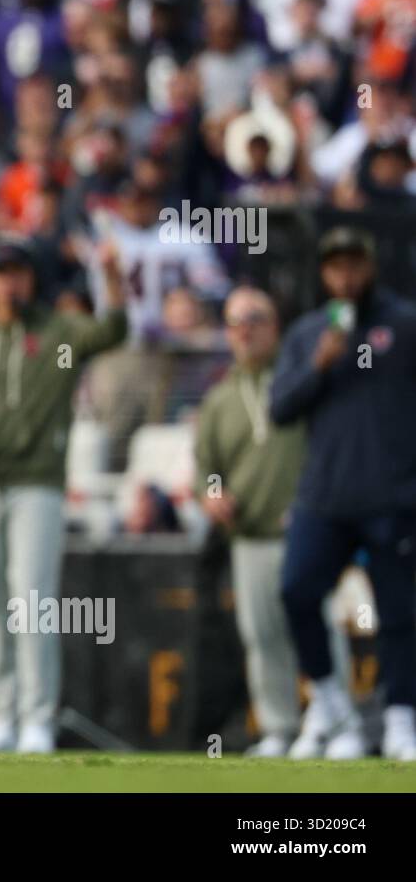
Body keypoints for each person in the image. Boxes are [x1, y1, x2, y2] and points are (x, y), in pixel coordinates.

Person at [0, 238, 127, 754]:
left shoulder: (58, 330)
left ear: (31, 279)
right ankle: (4, 715)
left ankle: (38, 715)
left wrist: (111, 276)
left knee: (32, 600)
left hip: (37, 479)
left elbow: (114, 330)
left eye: (17, 272)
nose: (8, 282)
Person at [271, 227, 416, 761]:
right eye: (336, 266)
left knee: (398, 612)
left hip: (392, 497)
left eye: (355, 264)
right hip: (324, 496)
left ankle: (402, 719)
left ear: (371, 266)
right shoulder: (310, 334)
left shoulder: (403, 324)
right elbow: (280, 409)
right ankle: (330, 703)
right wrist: (319, 366)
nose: (346, 275)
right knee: (295, 591)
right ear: (323, 273)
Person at [193, 286, 348, 757]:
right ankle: (279, 727)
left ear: (275, 325)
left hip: (306, 526)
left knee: (319, 626)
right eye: (235, 320)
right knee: (261, 635)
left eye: (255, 318)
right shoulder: (219, 397)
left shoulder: (302, 381)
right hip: (250, 532)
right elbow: (209, 466)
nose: (245, 329)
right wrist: (213, 494)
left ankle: (339, 724)